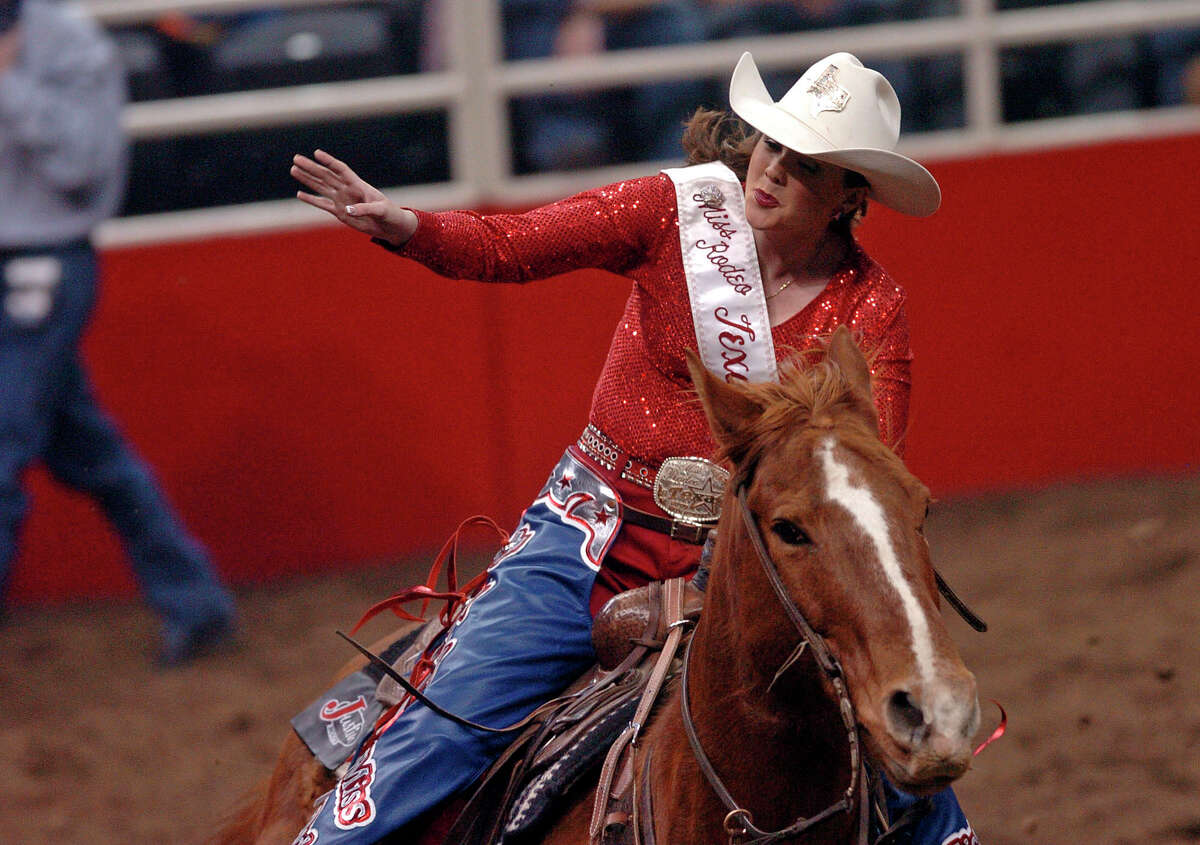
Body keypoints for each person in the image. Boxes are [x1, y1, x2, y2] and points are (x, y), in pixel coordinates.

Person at [290, 51, 979, 843]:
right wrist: (406, 226)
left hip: (744, 564)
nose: (774, 168)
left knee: (903, 742)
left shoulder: (873, 305)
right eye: (773, 144)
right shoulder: (674, 214)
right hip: (592, 534)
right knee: (451, 722)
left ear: (849, 197)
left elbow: (861, 470)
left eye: (809, 165)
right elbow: (513, 245)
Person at [0, 0, 236, 666]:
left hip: (42, 259)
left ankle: (196, 601)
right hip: (23, 263)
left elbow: (83, 165)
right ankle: (196, 601)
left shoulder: (72, 43)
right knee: (88, 452)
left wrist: (8, 83)